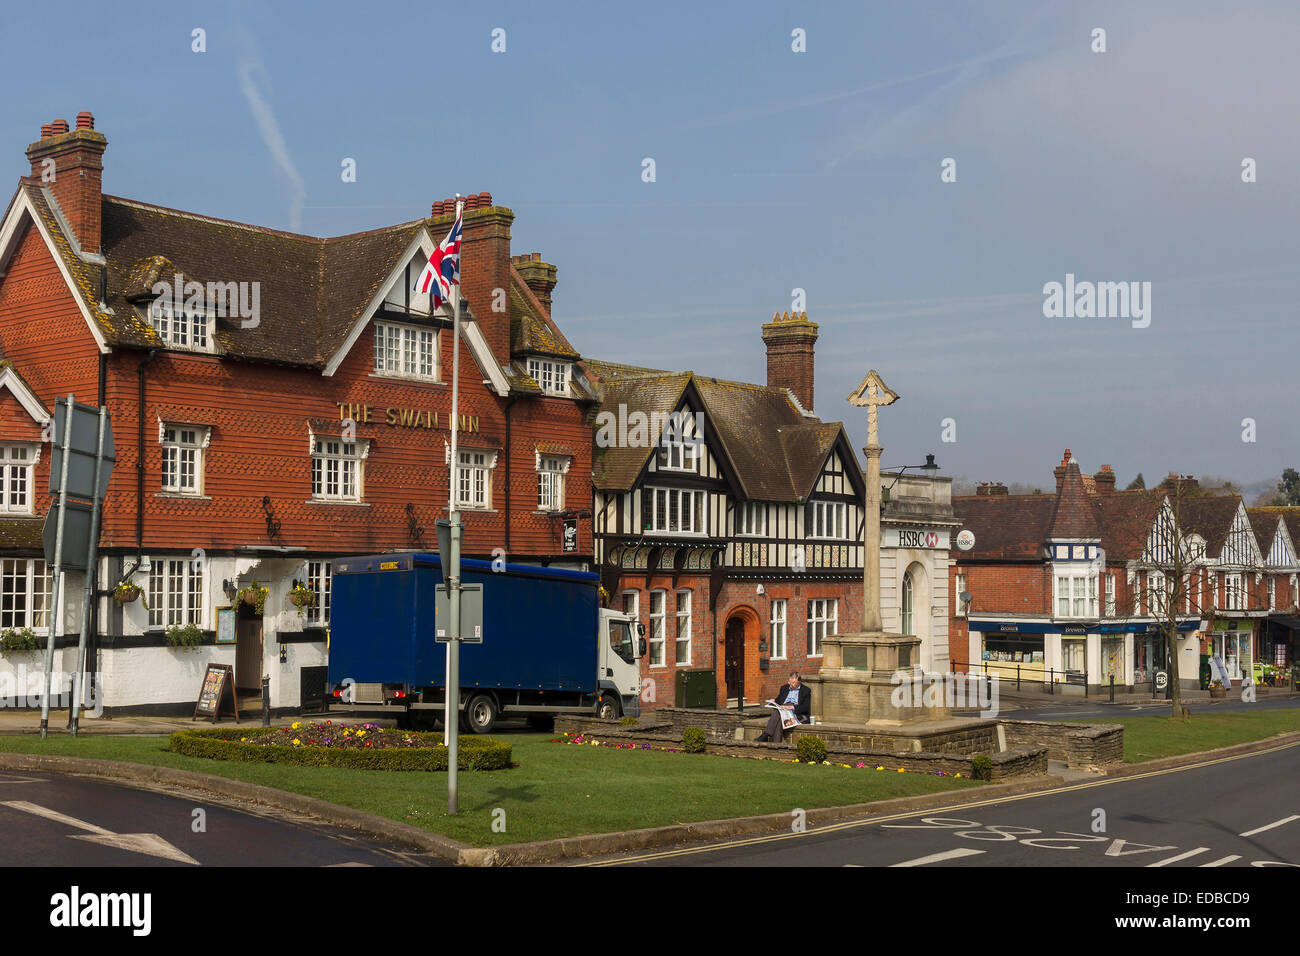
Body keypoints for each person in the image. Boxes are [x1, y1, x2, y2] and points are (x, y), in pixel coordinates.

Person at [757, 671, 810, 743]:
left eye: (793, 683)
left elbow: (805, 707)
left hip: (795, 711)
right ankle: (776, 744)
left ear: (799, 681)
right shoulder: (784, 688)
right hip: (783, 708)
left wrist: (792, 707)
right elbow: (779, 700)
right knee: (779, 712)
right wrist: (774, 701)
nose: (790, 684)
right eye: (789, 682)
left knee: (778, 712)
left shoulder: (806, 690)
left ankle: (766, 734)